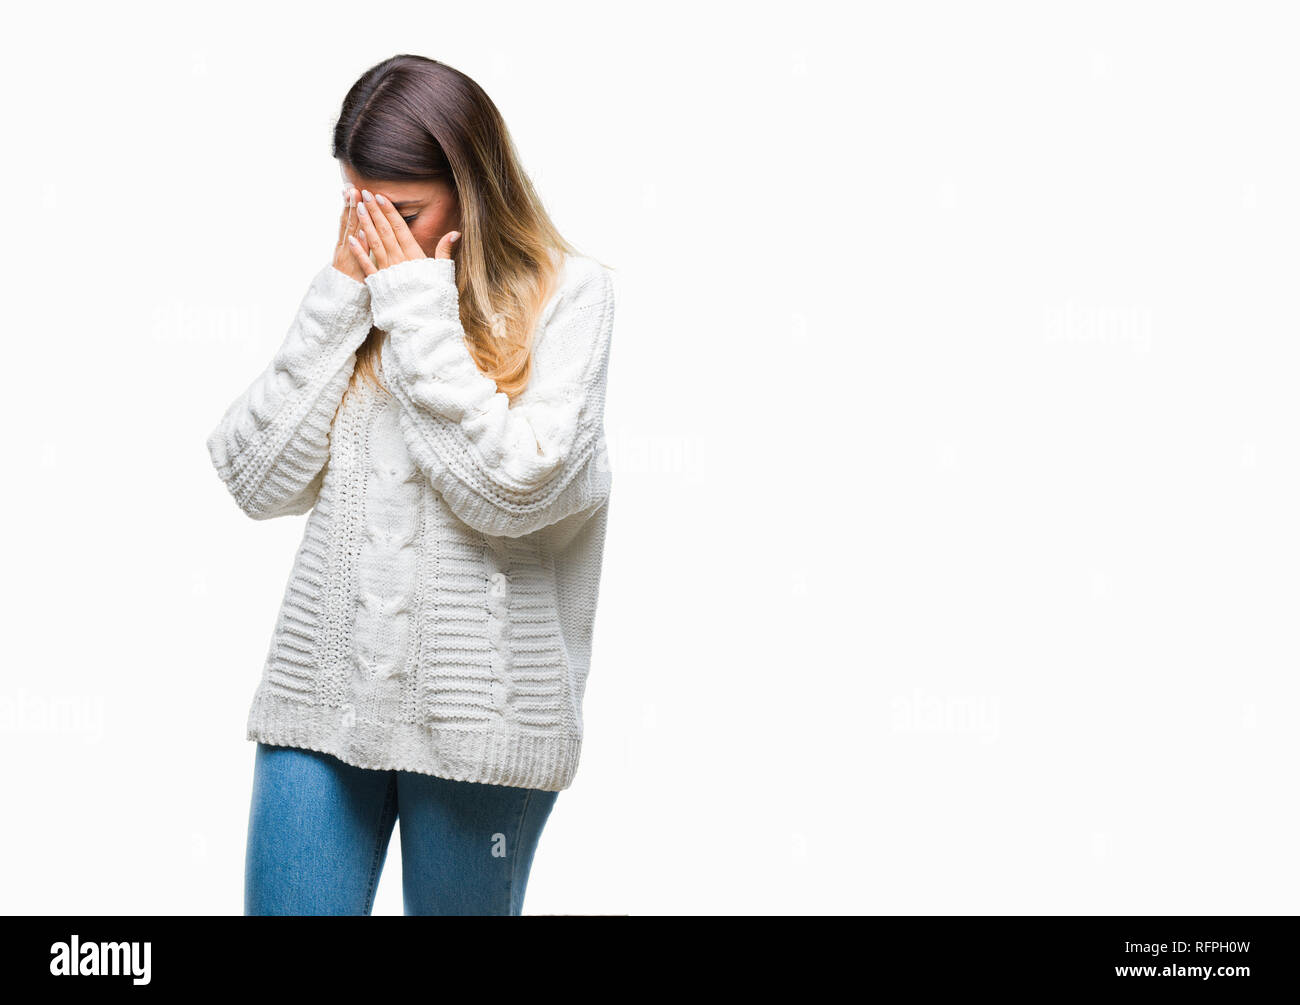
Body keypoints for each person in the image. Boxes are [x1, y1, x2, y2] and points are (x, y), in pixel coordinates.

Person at [205, 54, 618, 916]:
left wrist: (416, 308)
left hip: (483, 725)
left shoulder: (571, 297)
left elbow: (517, 488)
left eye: (400, 212)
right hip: (320, 702)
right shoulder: (364, 293)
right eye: (356, 204)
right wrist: (340, 299)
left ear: (472, 187)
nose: (373, 233)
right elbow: (252, 478)